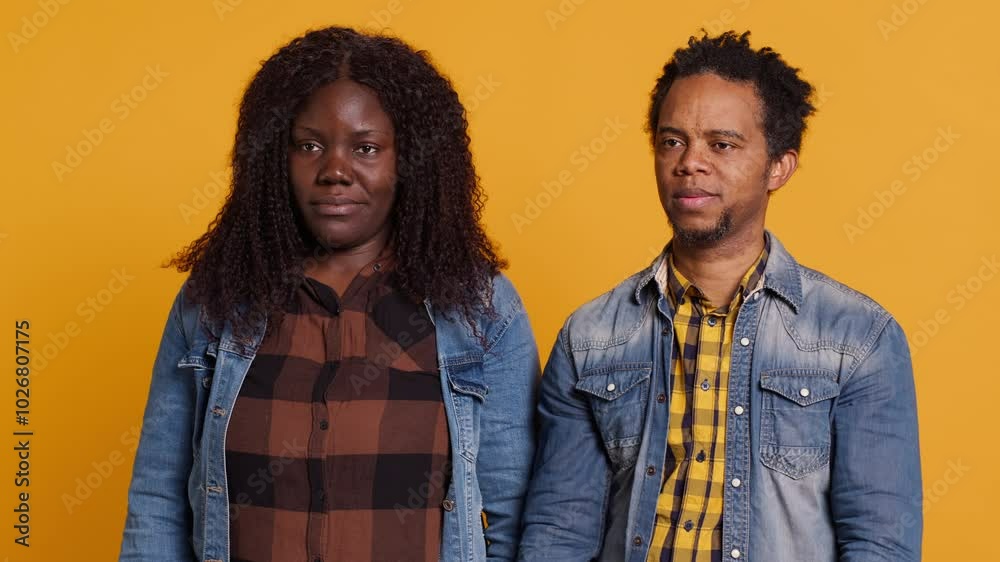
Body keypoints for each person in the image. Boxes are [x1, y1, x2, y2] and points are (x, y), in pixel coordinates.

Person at [119, 26, 538, 562]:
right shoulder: (214, 303)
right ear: (276, 156)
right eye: (310, 145)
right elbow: (157, 502)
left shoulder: (481, 309)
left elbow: (512, 517)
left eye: (366, 148)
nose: (335, 171)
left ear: (409, 161)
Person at [519, 31, 921, 562]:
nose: (691, 162)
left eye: (722, 144)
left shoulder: (857, 337)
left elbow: (881, 543)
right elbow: (559, 532)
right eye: (672, 141)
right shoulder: (591, 337)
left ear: (779, 167)